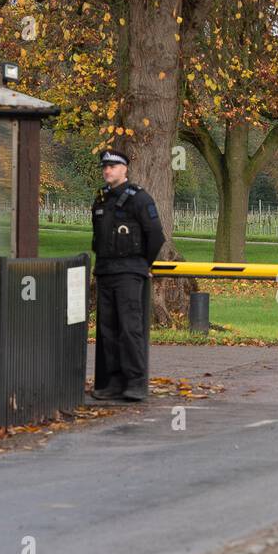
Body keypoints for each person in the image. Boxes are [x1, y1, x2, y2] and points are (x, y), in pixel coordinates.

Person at [90, 149, 165, 401]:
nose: (107, 170)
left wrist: (145, 264)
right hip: (106, 271)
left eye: (112, 166)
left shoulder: (139, 199)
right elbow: (97, 238)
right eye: (105, 166)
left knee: (129, 328)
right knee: (107, 329)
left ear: (125, 169)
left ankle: (135, 382)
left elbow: (155, 234)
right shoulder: (101, 199)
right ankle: (114, 381)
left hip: (129, 272)